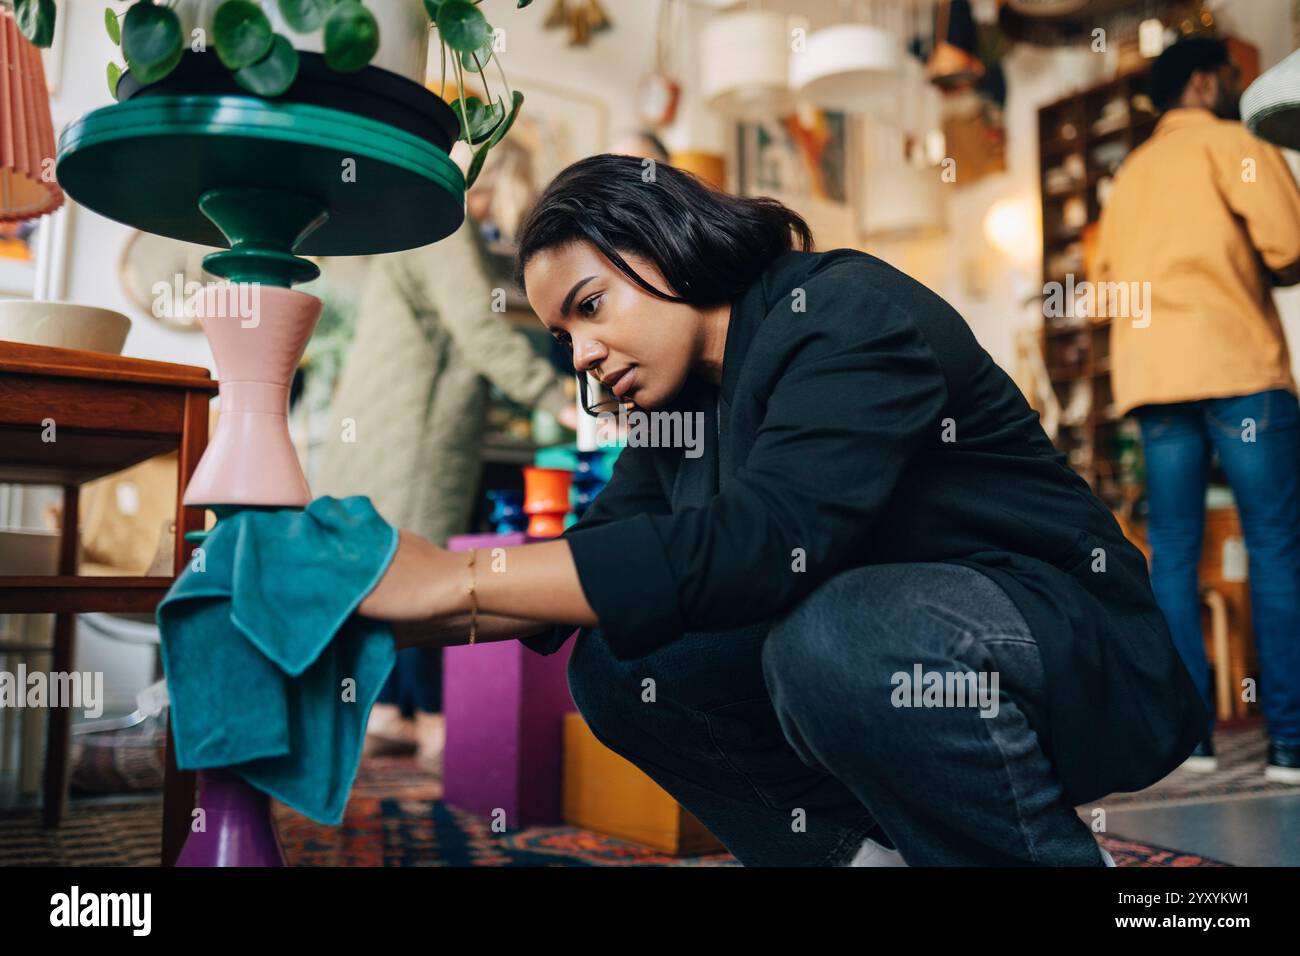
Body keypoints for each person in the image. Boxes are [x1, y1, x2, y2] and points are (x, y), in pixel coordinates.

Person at [346, 153, 1205, 866]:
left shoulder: (840, 310)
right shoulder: (680, 407)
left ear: (662, 243)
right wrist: (375, 612)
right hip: (888, 654)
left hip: (1068, 651)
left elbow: (770, 539)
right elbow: (606, 551)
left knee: (831, 632)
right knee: (618, 666)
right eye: (563, 339)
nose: (586, 355)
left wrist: (453, 575)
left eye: (591, 306)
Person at [1094, 37, 1300, 782]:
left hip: (1155, 377)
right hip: (1237, 363)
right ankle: (1290, 747)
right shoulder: (1232, 140)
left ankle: (1192, 741)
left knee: (1173, 555)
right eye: (1239, 79)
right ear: (1209, 83)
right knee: (1275, 546)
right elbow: (1290, 241)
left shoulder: (1131, 172)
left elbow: (1102, 277)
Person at [315, 208, 579, 770]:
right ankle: (436, 724)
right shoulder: (446, 221)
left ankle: (388, 712)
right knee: (424, 567)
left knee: (384, 563)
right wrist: (562, 402)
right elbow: (479, 330)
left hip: (381, 422)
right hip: (415, 428)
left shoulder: (413, 217)